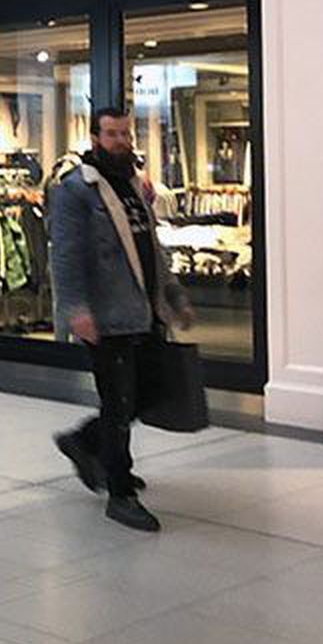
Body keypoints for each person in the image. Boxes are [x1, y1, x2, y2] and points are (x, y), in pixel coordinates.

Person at [50, 107, 195, 533]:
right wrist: (76, 310)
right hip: (107, 316)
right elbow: (66, 256)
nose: (120, 141)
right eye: (111, 134)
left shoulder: (132, 185)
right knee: (118, 403)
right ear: (94, 137)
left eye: (125, 133)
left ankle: (84, 442)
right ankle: (120, 492)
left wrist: (173, 295)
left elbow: (150, 246)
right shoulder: (76, 190)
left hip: (144, 311)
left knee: (144, 393)